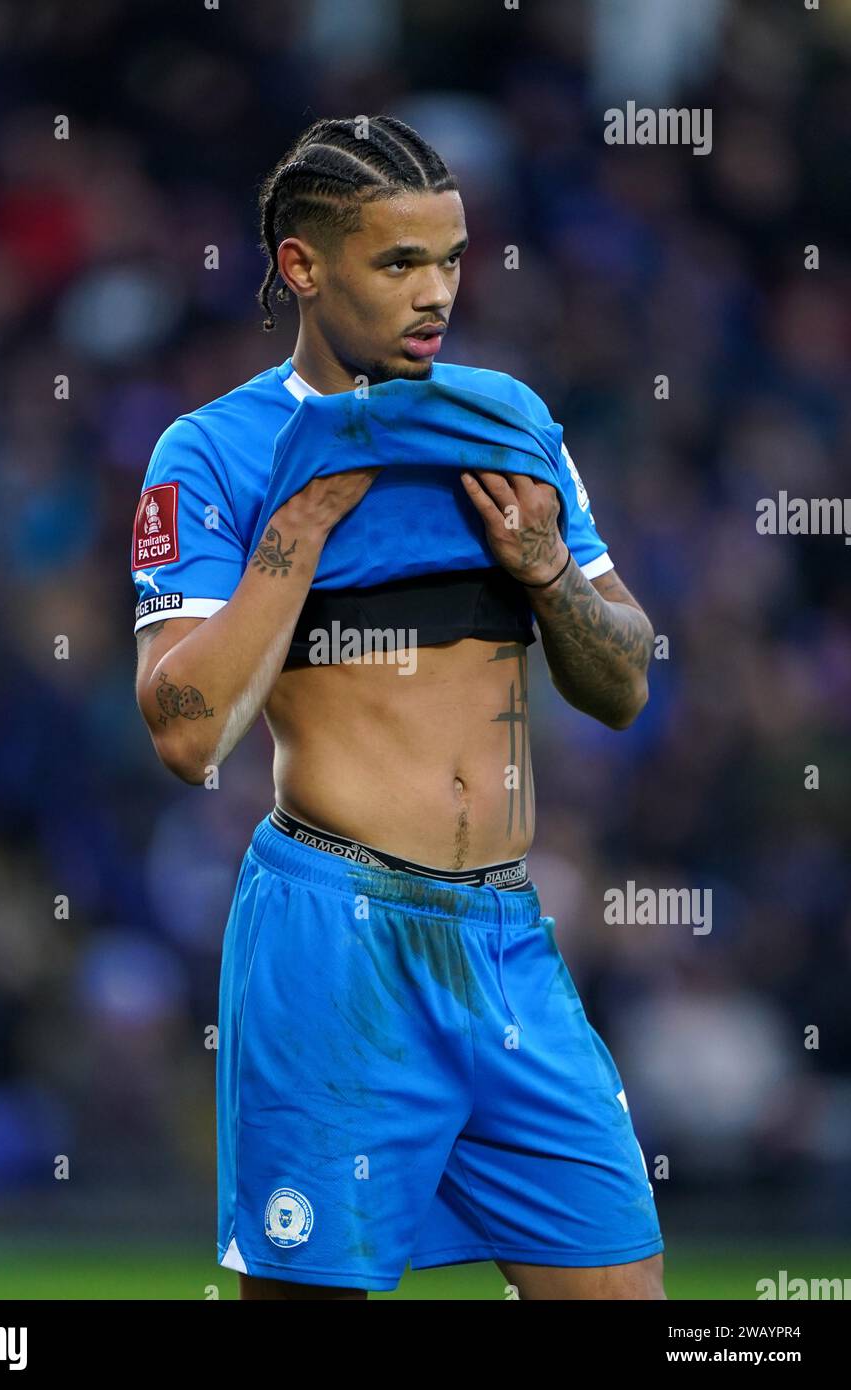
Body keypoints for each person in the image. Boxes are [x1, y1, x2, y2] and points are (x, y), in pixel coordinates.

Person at [131, 116, 665, 1301]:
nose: (437, 294)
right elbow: (182, 729)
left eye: (454, 259)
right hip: (336, 942)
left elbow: (624, 681)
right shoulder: (211, 453)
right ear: (302, 266)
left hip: (509, 943)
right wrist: (297, 531)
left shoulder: (510, 421)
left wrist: (546, 573)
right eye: (399, 263)